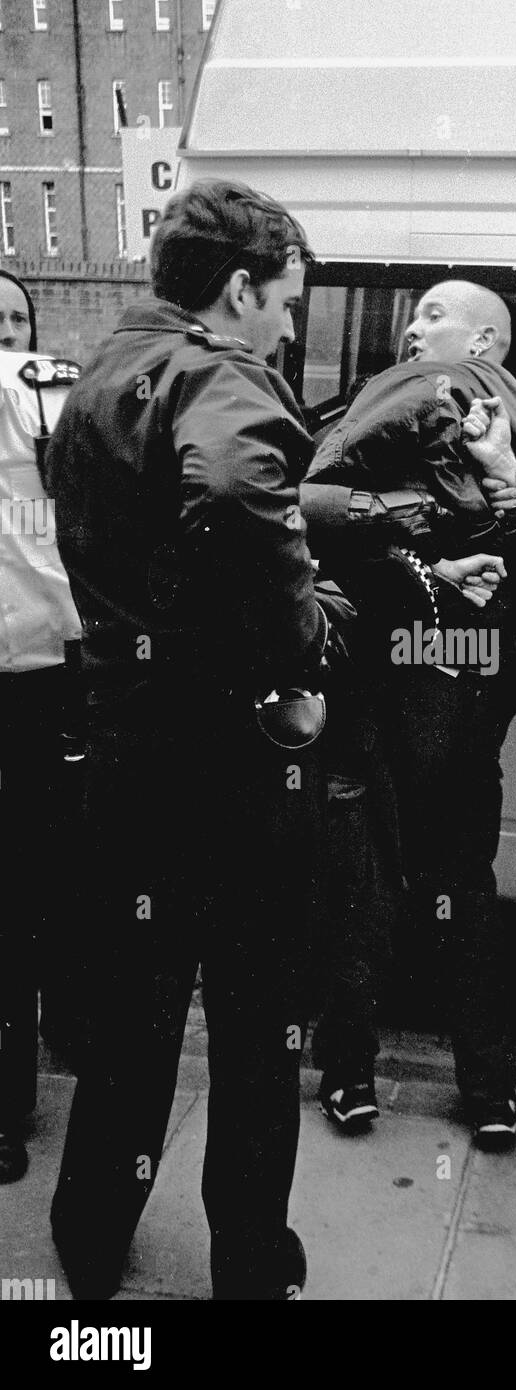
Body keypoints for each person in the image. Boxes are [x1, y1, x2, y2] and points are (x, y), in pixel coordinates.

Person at [44, 179, 350, 1300]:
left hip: (127, 743)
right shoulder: (220, 374)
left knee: (130, 1010)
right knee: (258, 1024)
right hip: (230, 761)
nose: (287, 325)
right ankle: (251, 1259)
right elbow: (226, 491)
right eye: (285, 302)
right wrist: (303, 641)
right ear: (238, 288)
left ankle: (89, 1231)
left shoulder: (103, 375)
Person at [302, 280, 516, 1150]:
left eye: (432, 318)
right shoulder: (380, 425)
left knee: (454, 897)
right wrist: (431, 566)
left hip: (456, 712)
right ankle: (355, 1073)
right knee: (366, 895)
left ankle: (483, 1086)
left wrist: (495, 483)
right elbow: (315, 516)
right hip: (378, 705)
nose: (411, 331)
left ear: (483, 343)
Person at [0, 271, 84, 1184]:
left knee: (53, 879)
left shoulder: (49, 397)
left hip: (54, 676)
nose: (10, 337)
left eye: (19, 320)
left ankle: (64, 1036)